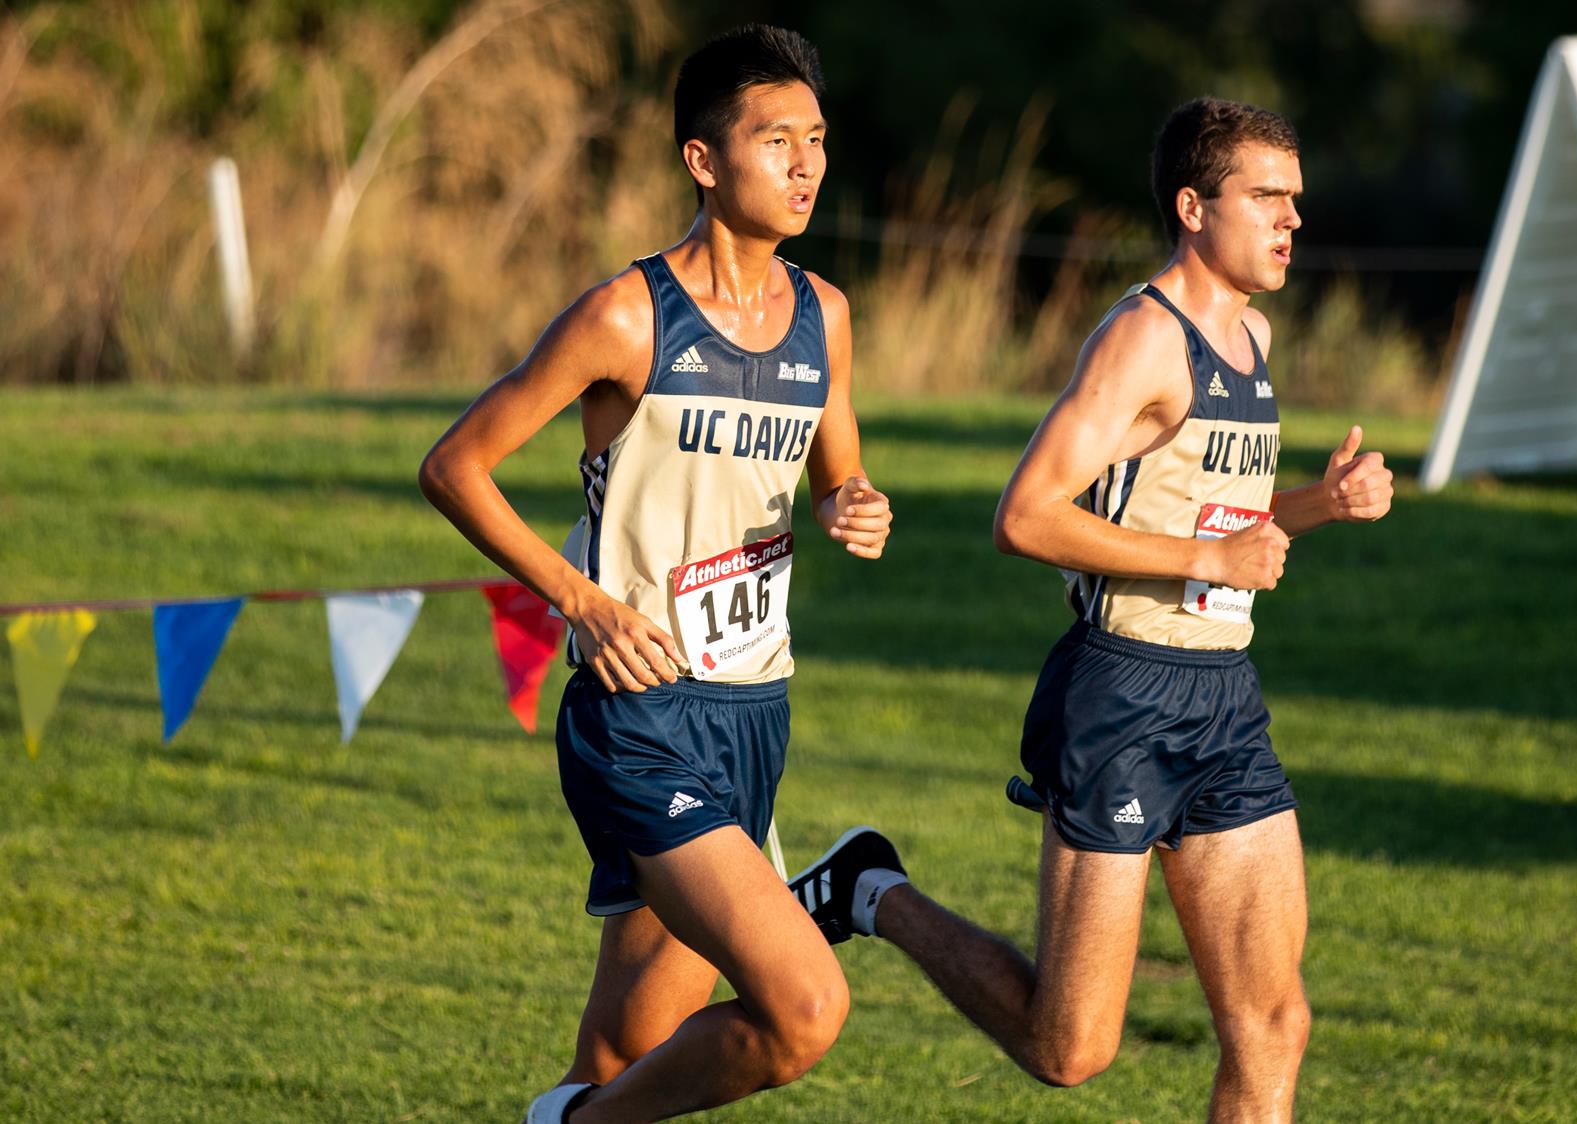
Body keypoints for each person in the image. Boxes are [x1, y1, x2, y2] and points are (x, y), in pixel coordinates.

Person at [789, 96, 1392, 1123]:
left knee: (1272, 1022)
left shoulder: (1248, 334)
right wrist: (1214, 551)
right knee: (1069, 1048)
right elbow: (1023, 515)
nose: (1290, 219)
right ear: (1193, 207)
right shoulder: (1141, 342)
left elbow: (1218, 513)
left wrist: (1317, 506)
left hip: (1222, 699)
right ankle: (869, 890)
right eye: (1266, 197)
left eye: (1295, 199)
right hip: (1120, 695)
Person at [417, 25, 892, 1122]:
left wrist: (849, 504)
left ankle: (573, 1109)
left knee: (626, 1048)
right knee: (801, 1004)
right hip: (639, 714)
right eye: (776, 140)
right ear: (702, 159)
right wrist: (578, 598)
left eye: (815, 140)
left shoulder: (824, 315)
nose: (805, 164)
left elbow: (837, 468)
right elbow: (457, 466)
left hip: (754, 711)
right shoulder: (628, 315)